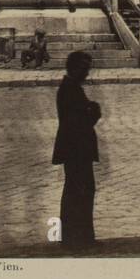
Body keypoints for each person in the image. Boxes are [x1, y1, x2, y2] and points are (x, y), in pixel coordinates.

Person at [53, 51, 101, 248]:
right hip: (76, 149)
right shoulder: (70, 90)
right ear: (74, 68)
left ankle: (77, 236)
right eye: (84, 69)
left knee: (78, 190)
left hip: (75, 149)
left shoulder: (70, 88)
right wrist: (93, 113)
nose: (87, 73)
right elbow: (78, 123)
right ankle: (78, 238)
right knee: (80, 191)